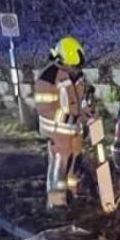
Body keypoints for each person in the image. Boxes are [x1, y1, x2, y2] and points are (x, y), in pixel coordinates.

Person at [33, 36, 89, 208]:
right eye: (72, 66)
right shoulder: (48, 77)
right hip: (57, 131)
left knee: (76, 160)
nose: (75, 69)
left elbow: (83, 100)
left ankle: (73, 193)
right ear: (63, 60)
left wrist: (88, 115)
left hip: (74, 130)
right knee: (60, 162)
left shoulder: (78, 76)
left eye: (76, 66)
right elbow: (46, 110)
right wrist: (71, 119)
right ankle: (56, 201)